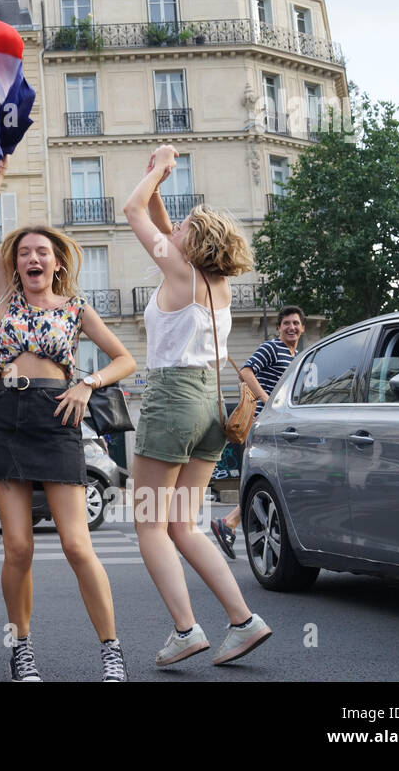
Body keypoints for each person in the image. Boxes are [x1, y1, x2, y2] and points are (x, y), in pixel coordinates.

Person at [0, 156, 136, 682]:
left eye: (42, 252)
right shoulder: (5, 297)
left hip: (58, 412)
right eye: (24, 253)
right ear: (15, 264)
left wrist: (88, 383)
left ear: (57, 263)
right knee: (17, 546)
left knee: (75, 543)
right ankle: (22, 648)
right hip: (7, 415)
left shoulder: (76, 308)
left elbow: (124, 359)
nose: (33, 258)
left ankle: (111, 650)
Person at [124, 144, 272, 667]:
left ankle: (186, 630)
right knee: (183, 525)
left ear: (194, 241)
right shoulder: (217, 284)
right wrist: (161, 185)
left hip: (172, 400)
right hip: (211, 406)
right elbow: (162, 225)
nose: (174, 230)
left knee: (148, 521)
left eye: (184, 226)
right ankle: (243, 620)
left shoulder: (179, 275)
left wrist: (159, 171)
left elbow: (133, 211)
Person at [211, 305, 306, 559]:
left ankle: (229, 523)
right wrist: (267, 399)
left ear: (302, 328)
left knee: (271, 479)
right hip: (264, 420)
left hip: (279, 422)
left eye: (296, 323)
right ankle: (230, 524)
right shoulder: (272, 347)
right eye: (286, 323)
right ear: (279, 328)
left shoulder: (297, 355)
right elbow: (245, 372)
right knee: (268, 477)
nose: (291, 327)